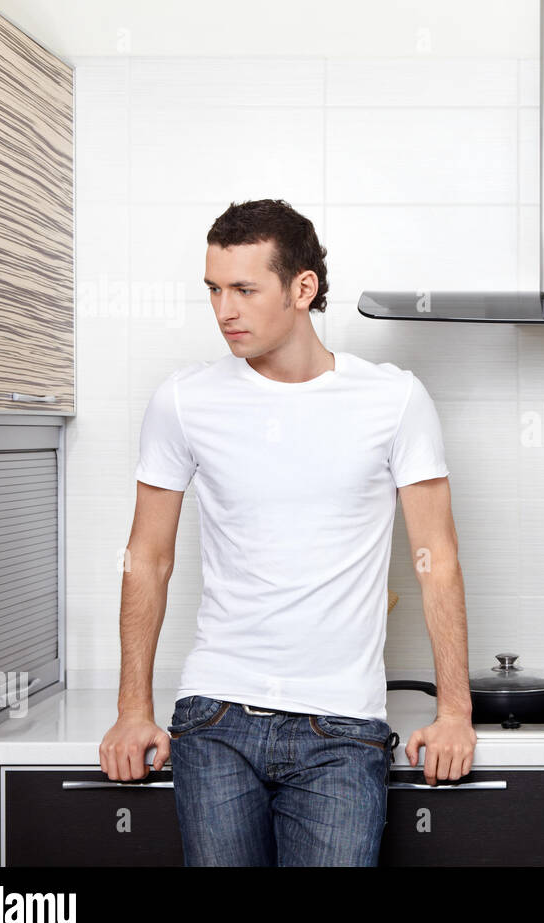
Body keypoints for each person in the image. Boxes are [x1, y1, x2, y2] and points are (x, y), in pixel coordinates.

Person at [98, 198, 476, 866]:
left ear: (303, 288)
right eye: (214, 290)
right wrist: (134, 708)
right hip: (214, 719)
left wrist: (455, 713)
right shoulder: (183, 401)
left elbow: (436, 561)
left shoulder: (393, 401)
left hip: (342, 728)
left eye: (245, 289)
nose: (224, 311)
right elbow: (147, 560)